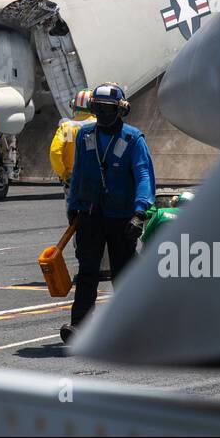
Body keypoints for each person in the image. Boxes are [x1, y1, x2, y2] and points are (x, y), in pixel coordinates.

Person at [60, 82, 155, 344]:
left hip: (122, 217)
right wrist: (73, 206)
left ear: (121, 110)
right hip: (90, 213)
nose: (102, 114)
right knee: (87, 270)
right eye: (97, 108)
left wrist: (140, 212)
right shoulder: (85, 135)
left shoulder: (132, 139)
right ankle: (79, 326)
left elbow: (144, 174)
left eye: (107, 109)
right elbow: (79, 171)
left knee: (123, 272)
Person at [49, 89, 93, 188]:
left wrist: (64, 174)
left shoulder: (67, 128)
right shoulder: (103, 126)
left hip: (74, 179)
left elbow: (55, 152)